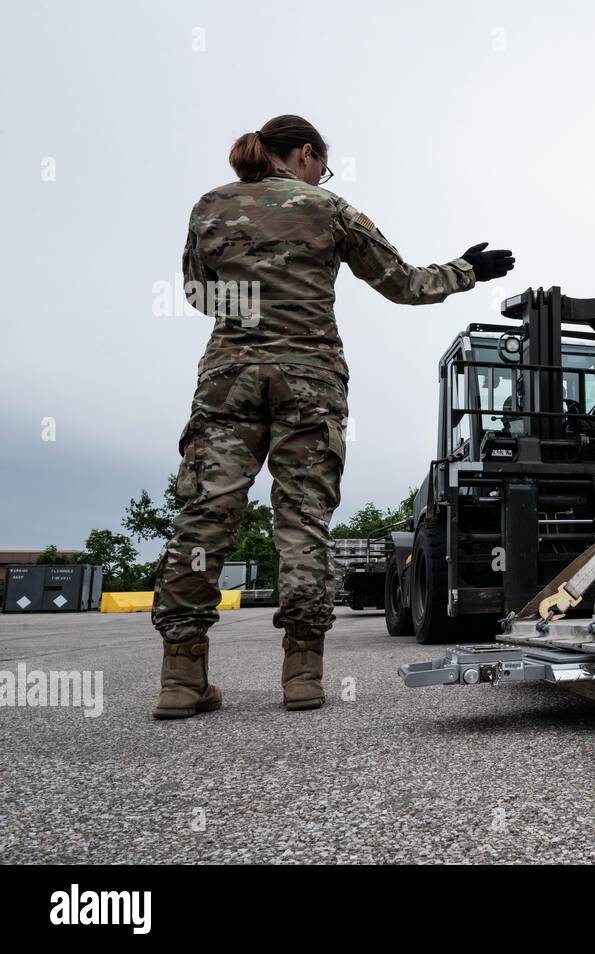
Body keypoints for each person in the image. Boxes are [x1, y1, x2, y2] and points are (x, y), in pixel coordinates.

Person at [151, 114, 514, 719]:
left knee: (206, 516)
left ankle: (182, 679)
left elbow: (196, 292)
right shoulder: (328, 208)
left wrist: (254, 310)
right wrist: (467, 270)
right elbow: (403, 283)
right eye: (323, 164)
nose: (324, 174)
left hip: (228, 380)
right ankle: (302, 676)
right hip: (309, 381)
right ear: (306, 154)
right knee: (303, 518)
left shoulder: (209, 206)